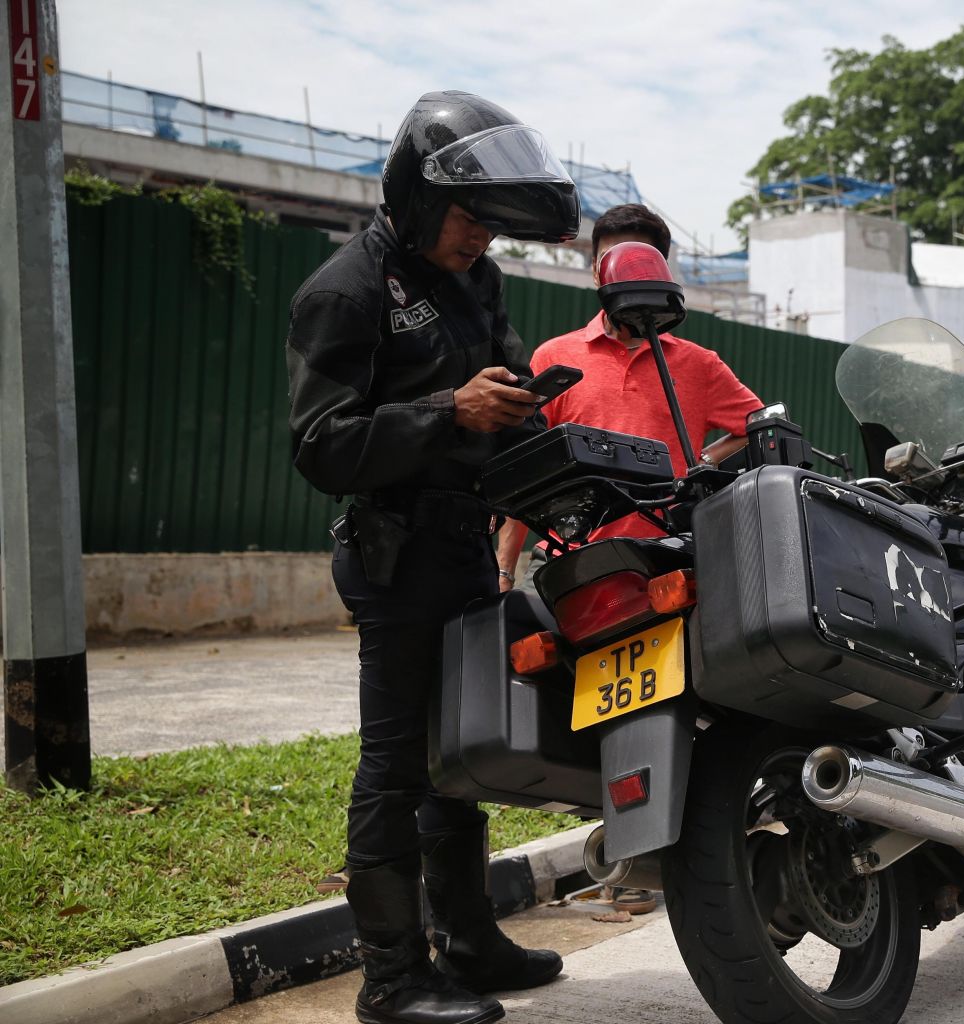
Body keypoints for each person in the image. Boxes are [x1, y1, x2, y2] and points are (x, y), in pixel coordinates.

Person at [287, 90, 579, 1024]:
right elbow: (321, 447)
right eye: (467, 217)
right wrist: (447, 413)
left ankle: (469, 942)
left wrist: (528, 412)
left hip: (466, 546)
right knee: (395, 768)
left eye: (492, 224)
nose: (481, 238)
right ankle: (392, 980)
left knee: (462, 757)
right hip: (394, 552)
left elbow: (498, 384)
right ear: (415, 198)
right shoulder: (345, 290)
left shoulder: (475, 285)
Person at [497, 203, 763, 585]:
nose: (625, 270)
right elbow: (525, 468)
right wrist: (505, 569)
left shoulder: (699, 365)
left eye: (638, 259)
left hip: (664, 557)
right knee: (514, 635)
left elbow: (757, 423)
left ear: (660, 271)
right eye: (610, 258)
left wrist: (700, 461)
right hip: (566, 555)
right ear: (594, 272)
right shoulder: (555, 356)